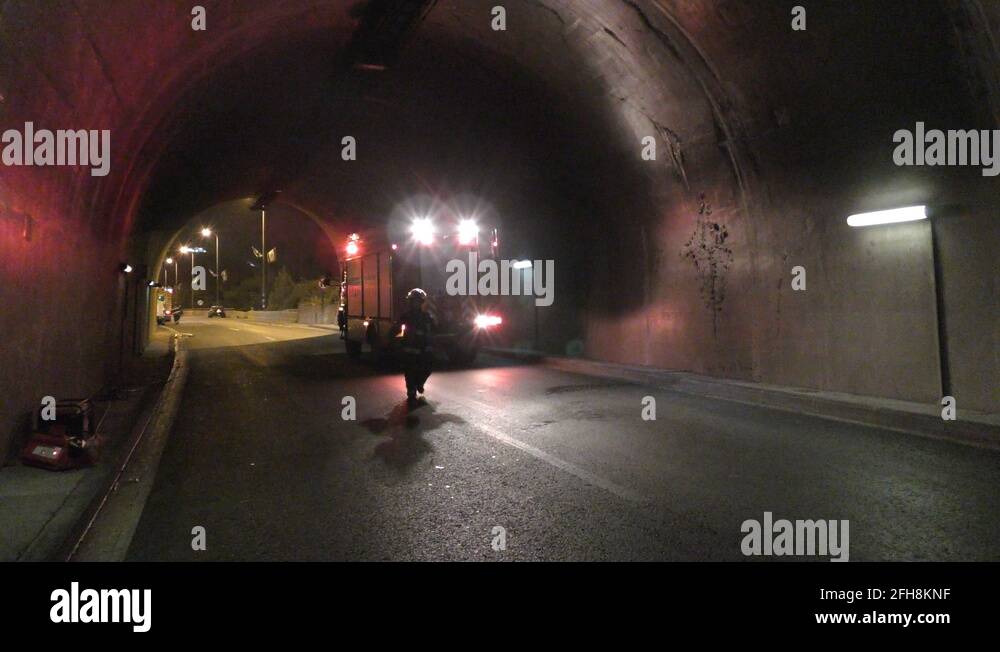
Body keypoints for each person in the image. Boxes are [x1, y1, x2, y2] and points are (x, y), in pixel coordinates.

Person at [394, 288, 435, 406]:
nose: (416, 303)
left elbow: (433, 330)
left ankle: (420, 384)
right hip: (409, 349)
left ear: (422, 302)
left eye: (418, 301)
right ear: (410, 302)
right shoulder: (405, 317)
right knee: (409, 371)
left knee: (428, 367)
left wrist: (430, 344)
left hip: (423, 349)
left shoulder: (427, 316)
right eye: (414, 301)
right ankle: (411, 391)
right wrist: (398, 341)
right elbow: (396, 331)